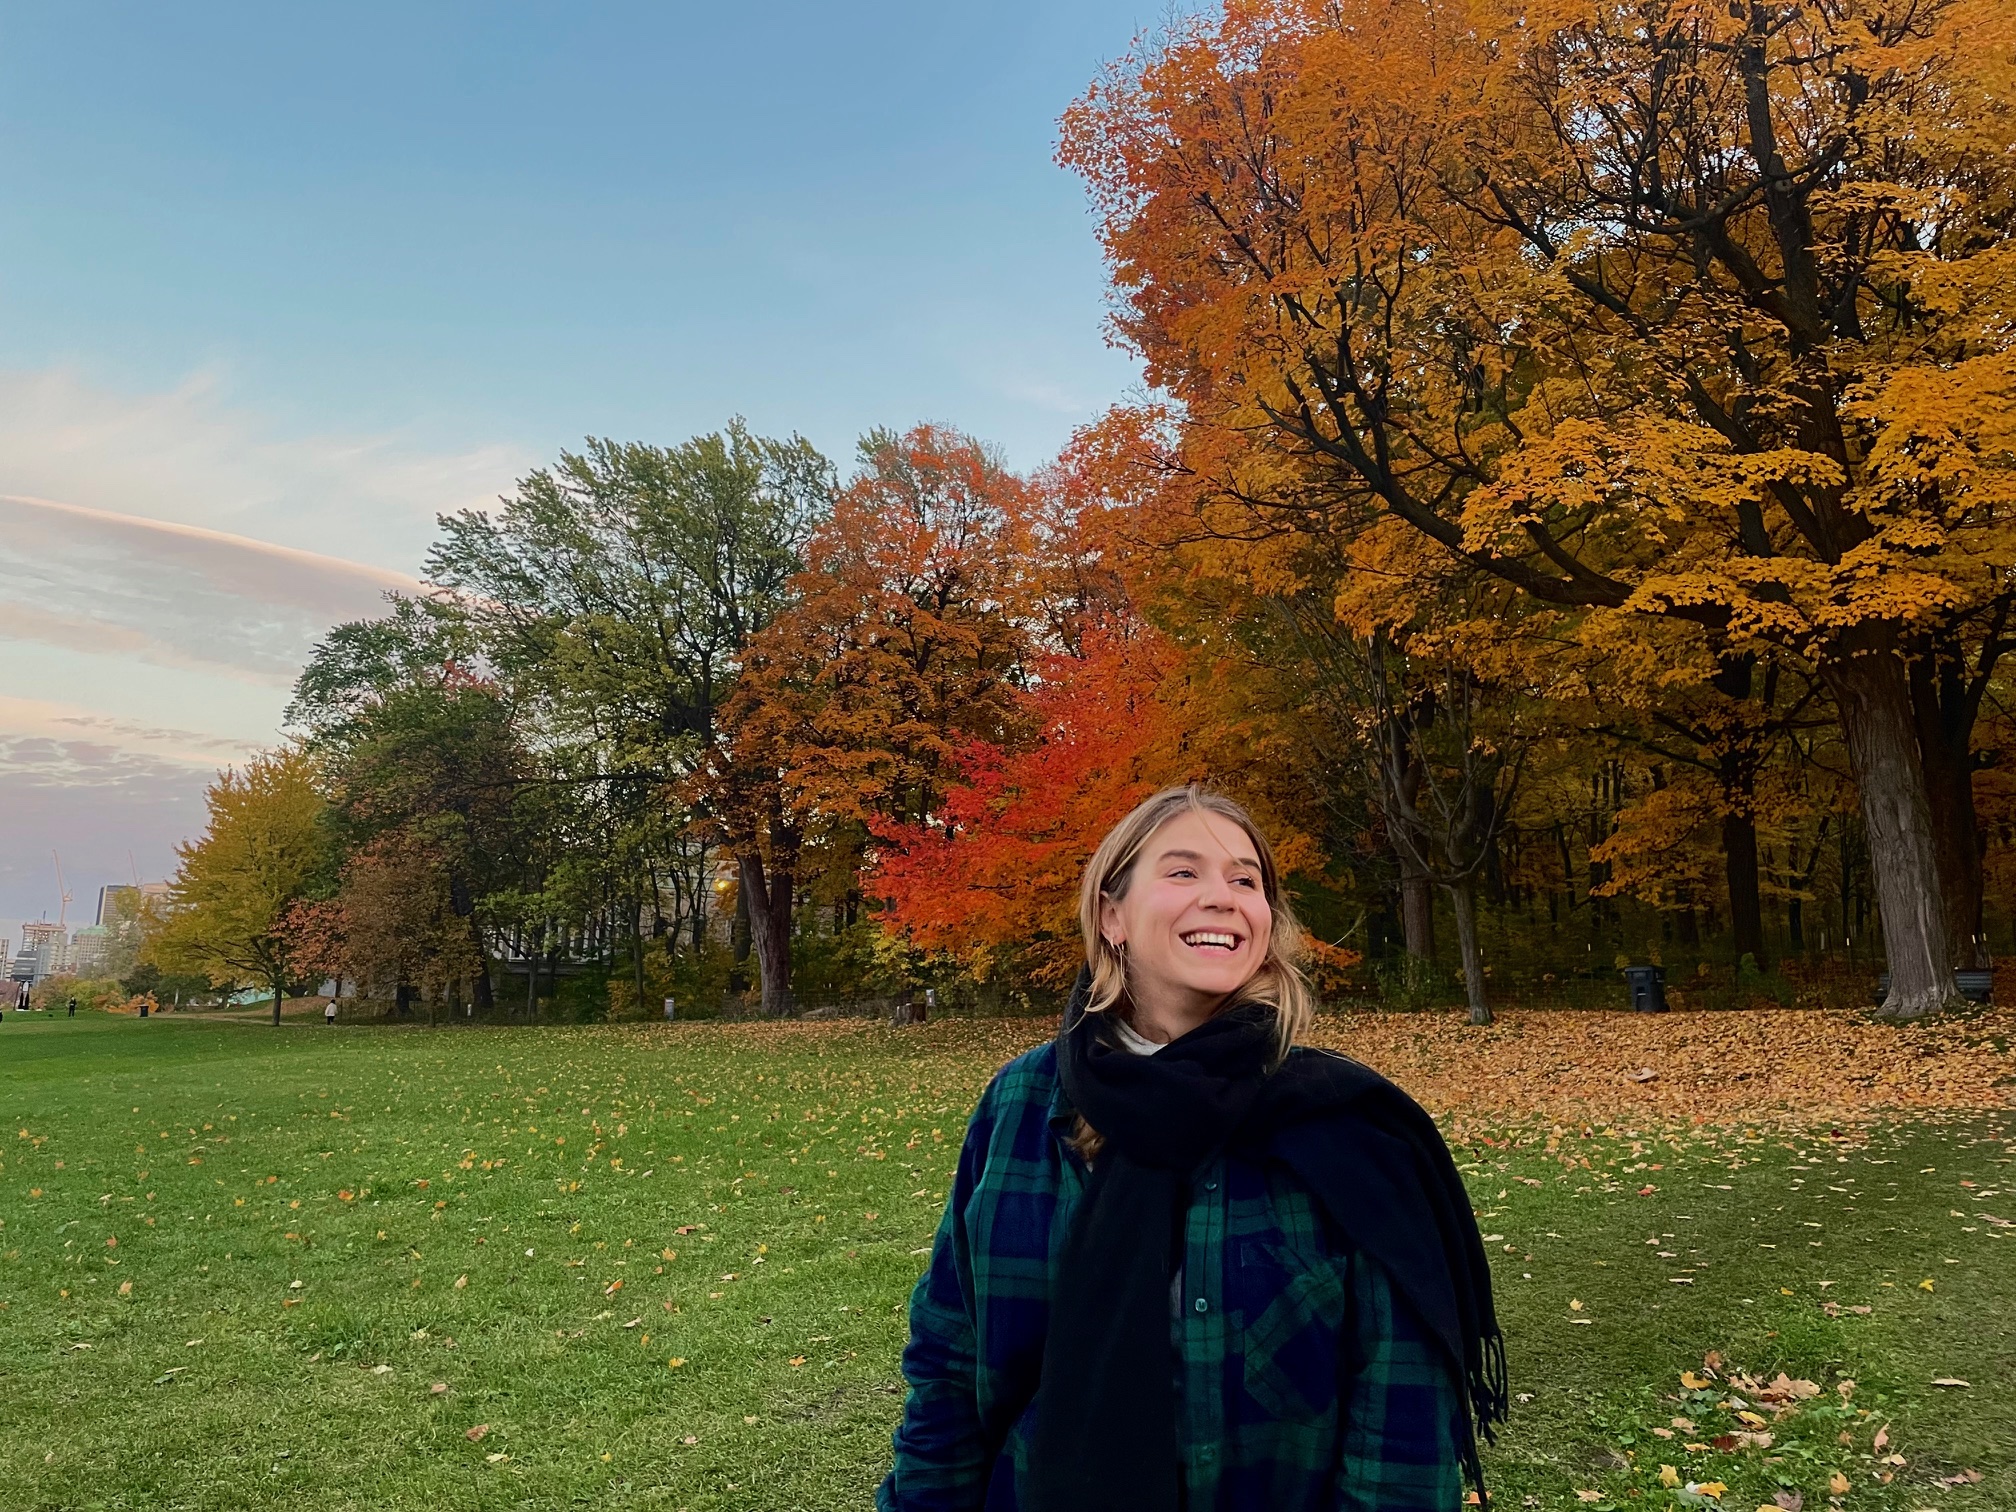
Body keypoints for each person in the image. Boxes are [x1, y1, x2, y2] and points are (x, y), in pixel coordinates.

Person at [879, 784, 1506, 1512]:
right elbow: (950, 1361)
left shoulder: (1350, 1127)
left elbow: (1400, 1432)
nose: (1223, 896)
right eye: (1184, 872)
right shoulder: (1021, 1104)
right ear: (1112, 914)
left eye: (1246, 879)